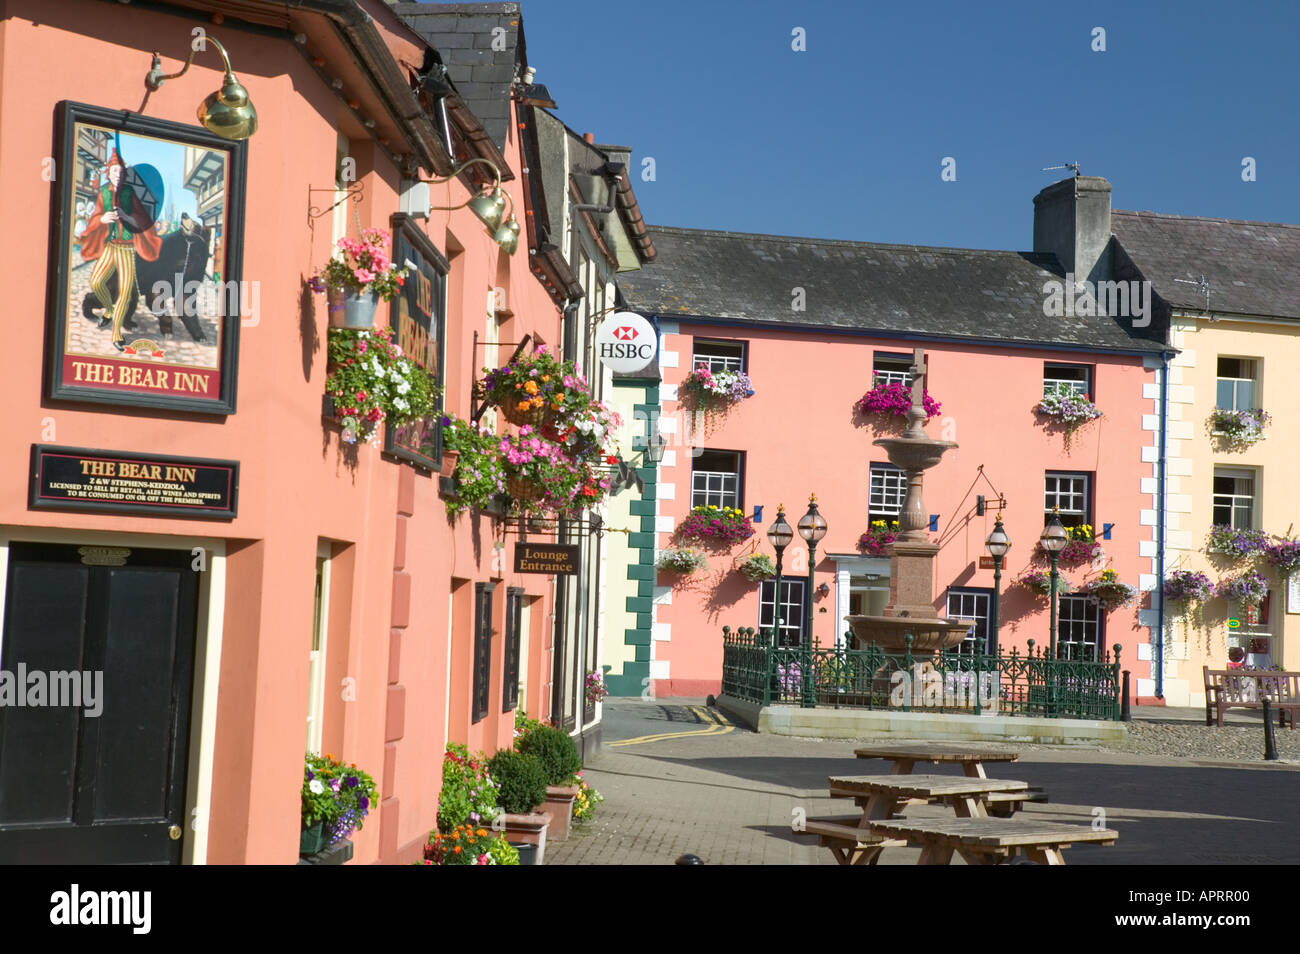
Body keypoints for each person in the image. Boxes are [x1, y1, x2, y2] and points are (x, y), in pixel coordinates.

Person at [79, 149, 162, 351]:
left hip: (126, 248)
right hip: (110, 246)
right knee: (96, 281)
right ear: (109, 173)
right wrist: (102, 219)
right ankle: (108, 309)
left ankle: (116, 334)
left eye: (121, 172)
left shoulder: (129, 193)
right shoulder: (103, 193)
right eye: (114, 171)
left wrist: (125, 216)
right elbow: (95, 218)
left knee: (125, 293)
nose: (118, 175)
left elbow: (141, 219)